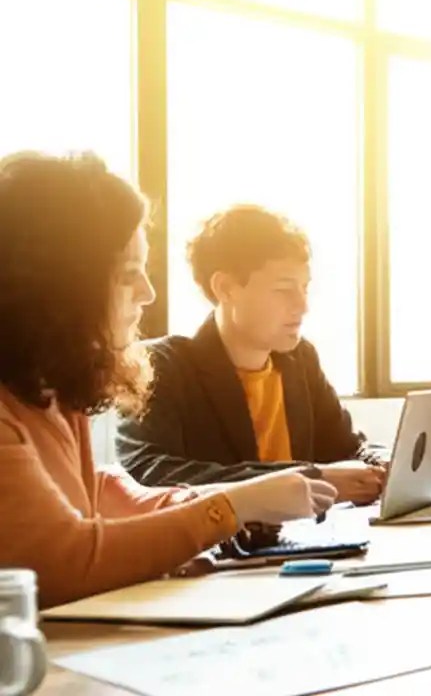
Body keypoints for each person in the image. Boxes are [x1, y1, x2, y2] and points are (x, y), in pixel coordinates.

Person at [0, 152, 334, 607]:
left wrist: (240, 501)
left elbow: (100, 494)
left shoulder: (54, 396)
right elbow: (67, 560)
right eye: (127, 276)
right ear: (56, 289)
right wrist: (230, 508)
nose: (148, 293)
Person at [116, 205, 386, 506]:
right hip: (219, 536)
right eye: (283, 290)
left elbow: (347, 448)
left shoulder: (301, 359)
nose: (302, 306)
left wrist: (382, 463)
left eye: (304, 288)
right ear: (225, 288)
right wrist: (307, 478)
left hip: (308, 533)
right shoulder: (159, 366)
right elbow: (150, 474)